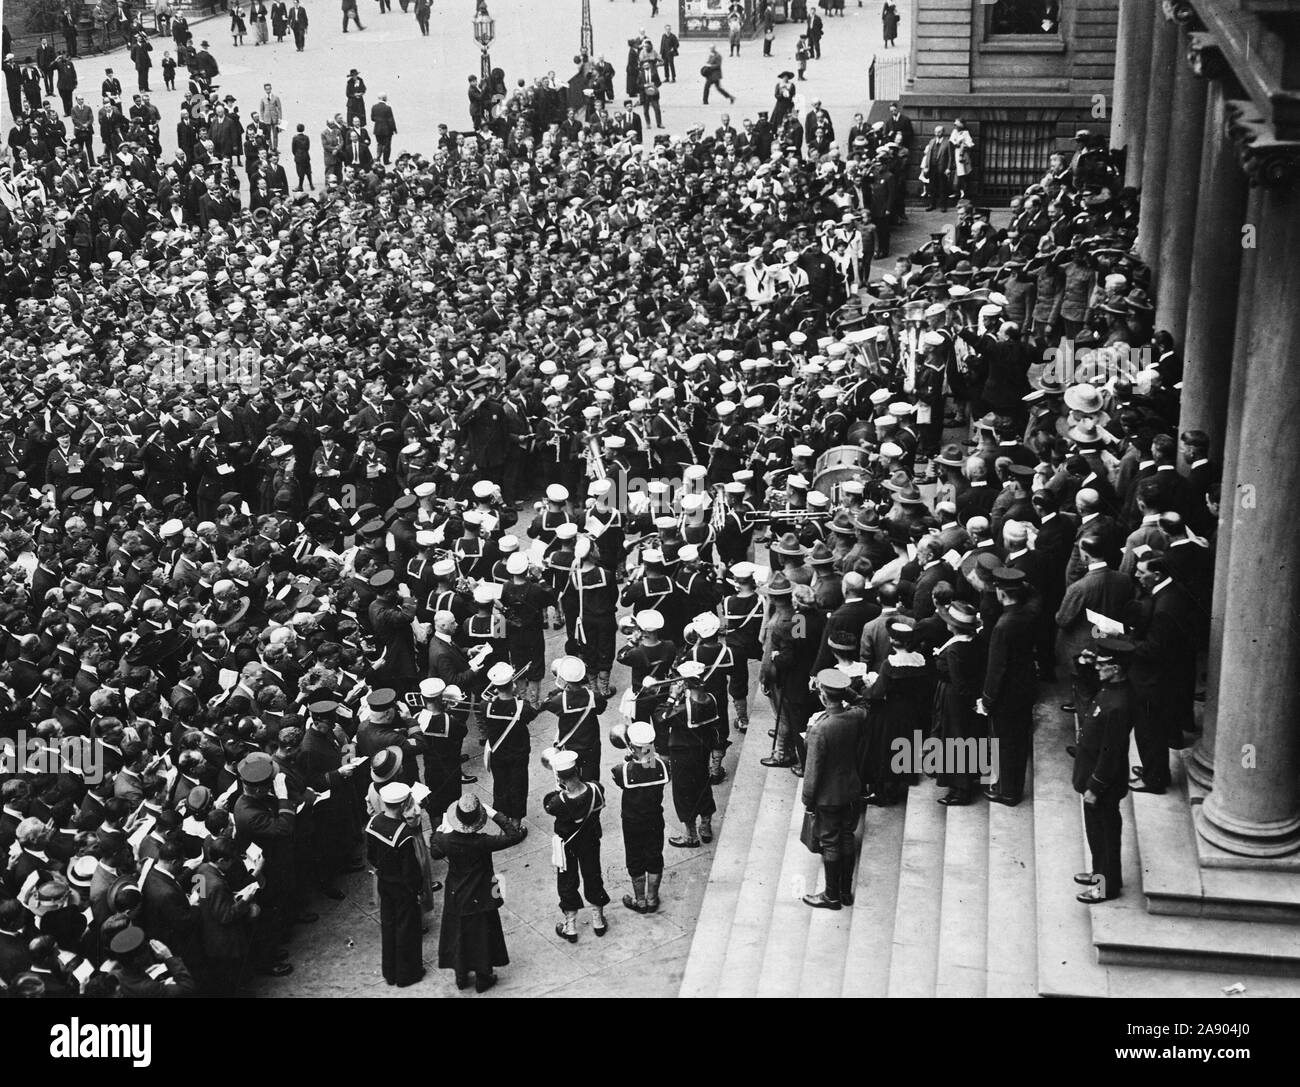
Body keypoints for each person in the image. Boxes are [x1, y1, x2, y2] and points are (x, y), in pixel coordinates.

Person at [428, 793, 525, 993]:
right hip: (483, 892)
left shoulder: (446, 841)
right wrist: (494, 814)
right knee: (483, 933)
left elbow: (435, 850)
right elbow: (514, 835)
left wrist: (440, 828)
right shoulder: (483, 842)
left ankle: (461, 975)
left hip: (456, 893)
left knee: (458, 933)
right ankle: (484, 975)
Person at [1073, 637, 1135, 904]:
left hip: (1103, 783)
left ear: (1117, 668)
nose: (1098, 667)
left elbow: (1112, 752)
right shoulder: (1111, 689)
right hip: (1091, 773)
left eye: (1102, 664)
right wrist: (1085, 665)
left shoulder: (1119, 704)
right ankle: (1100, 873)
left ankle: (1104, 886)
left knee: (1105, 835)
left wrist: (1095, 786)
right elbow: (1090, 687)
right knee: (1097, 834)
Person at [800, 668, 864, 909]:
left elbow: (812, 771)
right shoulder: (856, 716)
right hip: (851, 788)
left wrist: (808, 799)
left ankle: (831, 895)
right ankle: (845, 892)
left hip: (828, 795)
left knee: (830, 842)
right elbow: (863, 702)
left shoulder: (819, 729)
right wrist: (843, 688)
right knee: (847, 836)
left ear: (823, 697)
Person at [543, 748, 609, 943]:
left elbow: (549, 805)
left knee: (567, 881)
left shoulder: (558, 802)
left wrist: (558, 787)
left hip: (567, 847)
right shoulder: (596, 789)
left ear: (559, 777)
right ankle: (598, 920)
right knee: (593, 875)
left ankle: (570, 925)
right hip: (590, 842)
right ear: (578, 770)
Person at [365, 780, 425, 987]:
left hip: (384, 883)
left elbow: (371, 856)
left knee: (389, 926)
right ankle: (408, 973)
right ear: (401, 806)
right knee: (407, 930)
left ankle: (390, 972)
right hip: (403, 888)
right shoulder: (404, 834)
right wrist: (416, 889)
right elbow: (411, 870)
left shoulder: (373, 823)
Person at [611, 719, 668, 914]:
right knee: (654, 856)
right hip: (654, 819)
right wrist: (640, 755)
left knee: (635, 859)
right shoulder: (662, 765)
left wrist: (633, 757)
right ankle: (652, 899)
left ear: (633, 746)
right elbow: (649, 764)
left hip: (632, 822)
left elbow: (623, 778)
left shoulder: (622, 770)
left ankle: (640, 901)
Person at [370, 93, 396, 164]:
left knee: (379, 143)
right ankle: (386, 160)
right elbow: (391, 120)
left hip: (377, 129)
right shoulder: (388, 108)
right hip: (387, 130)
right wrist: (394, 129)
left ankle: (378, 157)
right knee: (387, 145)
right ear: (384, 98)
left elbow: (372, 118)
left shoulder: (374, 107)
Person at [290, 122, 313, 189]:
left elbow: (293, 149)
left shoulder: (295, 138)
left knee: (300, 172)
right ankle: (311, 185)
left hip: (298, 156)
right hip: (306, 156)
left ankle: (300, 186)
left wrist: (296, 154)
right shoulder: (306, 137)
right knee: (308, 171)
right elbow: (308, 147)